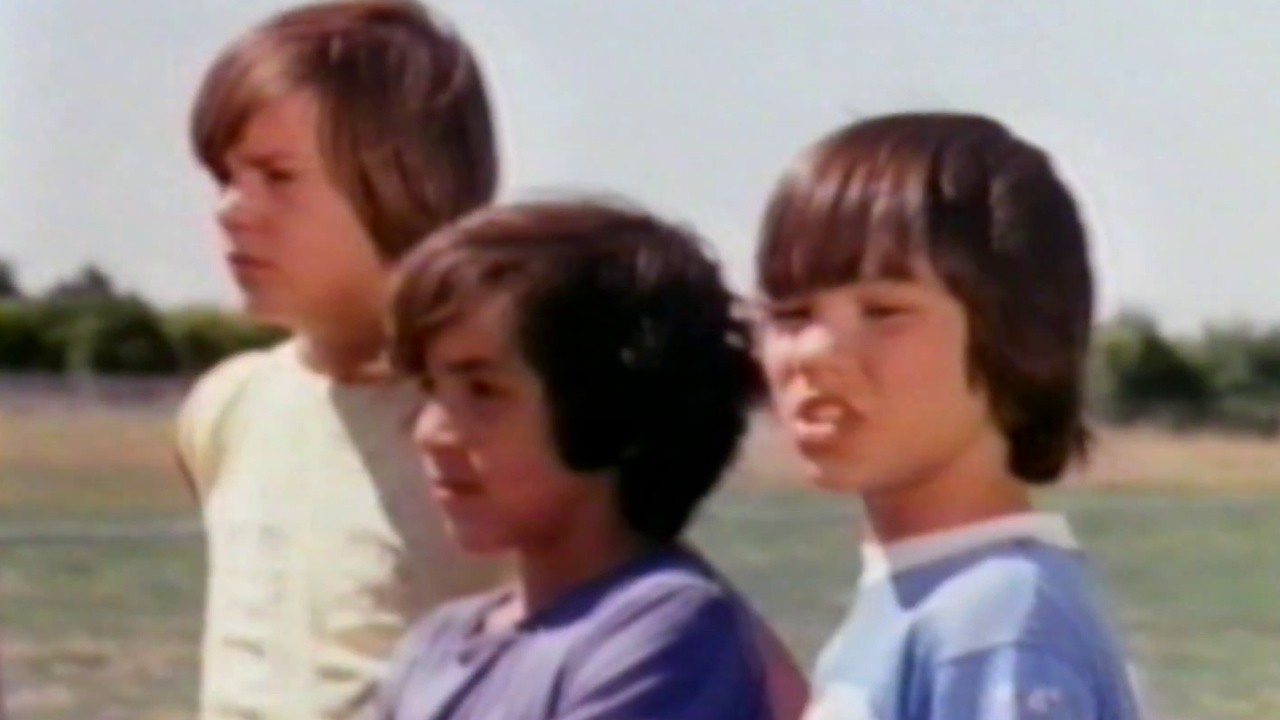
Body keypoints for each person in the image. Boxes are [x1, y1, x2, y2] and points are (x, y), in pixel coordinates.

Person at [754, 113, 1146, 720]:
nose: (814, 354)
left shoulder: (998, 622)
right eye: (791, 315)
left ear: (1017, 338)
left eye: (883, 311)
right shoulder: (922, 602)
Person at [175, 3, 505, 718]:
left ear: (405, 183)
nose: (232, 209)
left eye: (277, 176)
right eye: (225, 176)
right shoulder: (227, 407)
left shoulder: (499, 423)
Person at [379, 199, 806, 719]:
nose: (431, 433)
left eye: (483, 391)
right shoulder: (434, 646)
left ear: (613, 409)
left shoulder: (666, 632)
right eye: (430, 388)